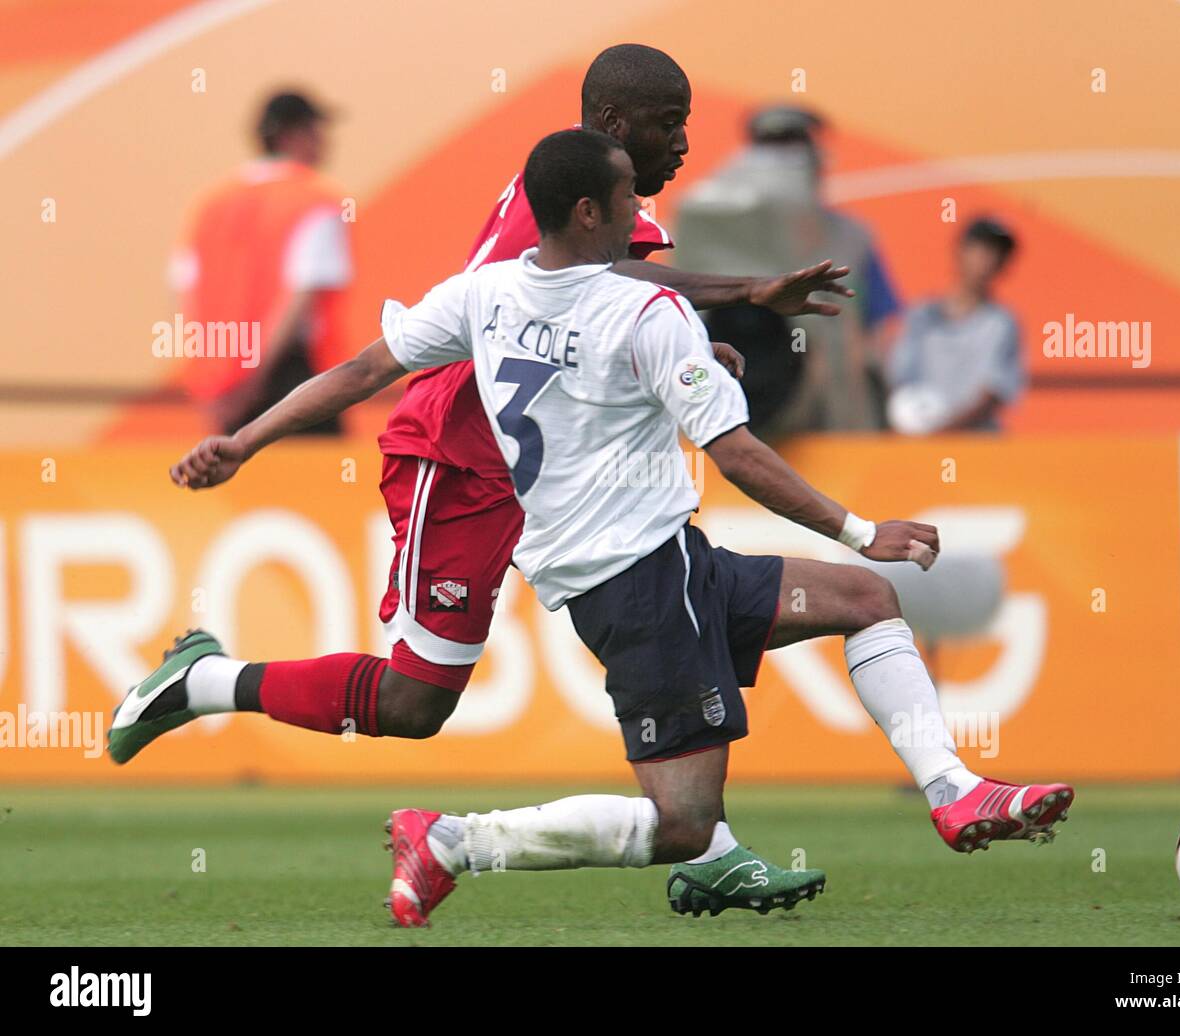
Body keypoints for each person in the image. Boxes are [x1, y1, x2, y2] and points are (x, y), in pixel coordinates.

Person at [156, 129, 1074, 928]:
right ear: (592, 211)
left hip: (663, 567)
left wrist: (242, 439)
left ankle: (954, 795)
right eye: (633, 194)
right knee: (682, 822)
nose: (648, 209)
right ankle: (452, 842)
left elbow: (359, 371)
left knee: (865, 603)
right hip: (642, 589)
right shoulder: (643, 310)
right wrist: (857, 523)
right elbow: (737, 452)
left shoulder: (484, 296)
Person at [112, 45, 853, 919]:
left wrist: (690, 342)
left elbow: (611, 307)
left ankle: (708, 843)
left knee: (660, 621)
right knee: (414, 699)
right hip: (456, 458)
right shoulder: (575, 200)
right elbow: (592, 289)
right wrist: (749, 292)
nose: (685, 143)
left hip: (536, 473)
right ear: (613, 132)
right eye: (669, 124)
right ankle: (199, 683)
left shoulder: (596, 196)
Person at [673, 105, 901, 438]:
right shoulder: (699, 229)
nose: (780, 165)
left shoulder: (850, 237)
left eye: (792, 148)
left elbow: (880, 332)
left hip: (831, 420)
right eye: (771, 148)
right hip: (721, 415)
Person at [170, 90, 352, 435]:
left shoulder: (211, 203)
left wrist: (206, 380)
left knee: (239, 483)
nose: (324, 142)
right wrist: (255, 379)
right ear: (293, 135)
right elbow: (301, 296)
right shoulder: (315, 199)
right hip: (290, 375)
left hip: (224, 381)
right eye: (316, 131)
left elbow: (183, 295)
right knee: (313, 484)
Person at [887, 218, 1023, 434]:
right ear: (961, 251)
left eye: (997, 254)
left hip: (976, 447)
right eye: (982, 249)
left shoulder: (1002, 323)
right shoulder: (921, 315)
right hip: (918, 445)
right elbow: (899, 380)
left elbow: (993, 394)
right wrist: (911, 425)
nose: (988, 260)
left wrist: (943, 432)